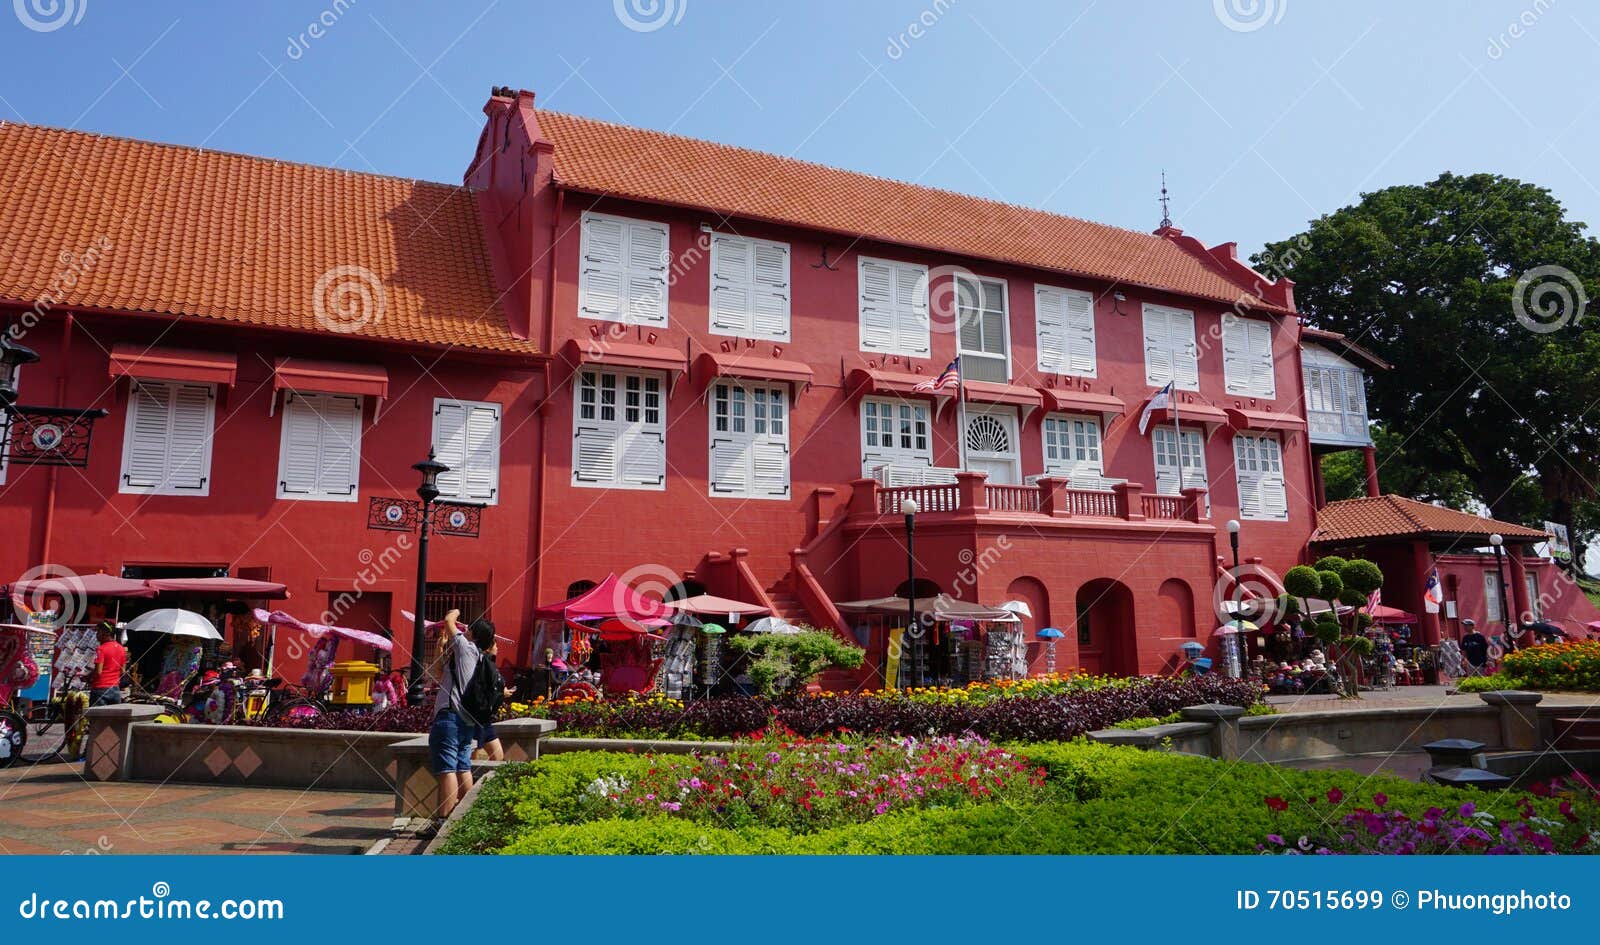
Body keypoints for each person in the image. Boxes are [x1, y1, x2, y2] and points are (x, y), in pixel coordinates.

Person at [427, 609, 482, 822]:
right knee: (462, 766)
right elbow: (439, 673)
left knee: (447, 769)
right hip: (465, 720)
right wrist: (440, 648)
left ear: (473, 635)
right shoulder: (475, 656)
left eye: (468, 630)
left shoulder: (466, 649)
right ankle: (466, 817)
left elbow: (449, 619)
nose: (464, 631)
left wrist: (456, 612)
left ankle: (443, 818)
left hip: (450, 718)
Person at [89, 623, 127, 706]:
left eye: (98, 632)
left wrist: (89, 677)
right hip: (115, 689)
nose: (96, 635)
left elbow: (98, 672)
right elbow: (123, 671)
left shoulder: (101, 649)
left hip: (100, 688)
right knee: (112, 717)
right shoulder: (121, 648)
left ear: (105, 633)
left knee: (97, 717)